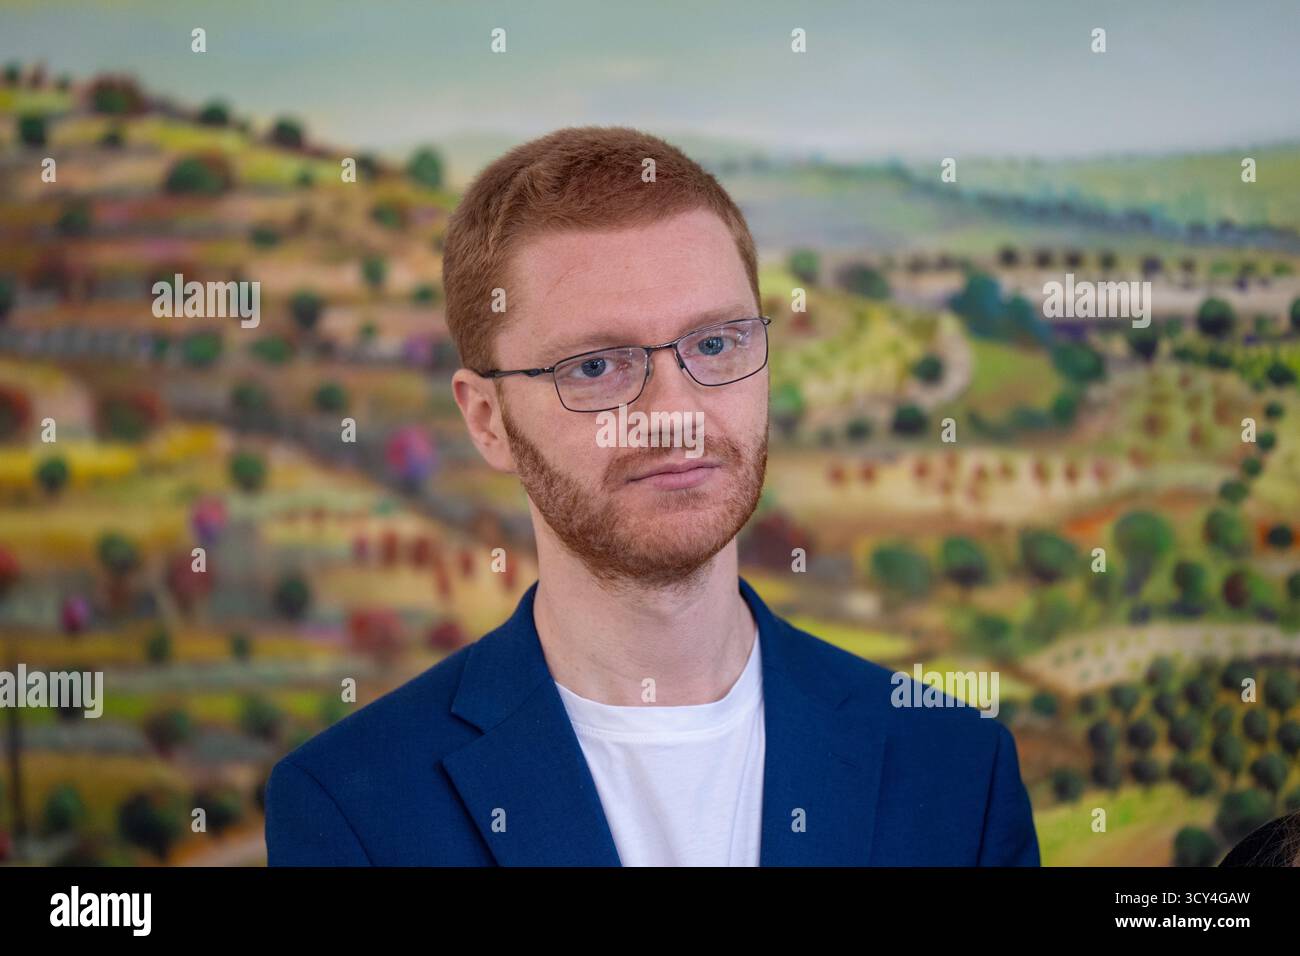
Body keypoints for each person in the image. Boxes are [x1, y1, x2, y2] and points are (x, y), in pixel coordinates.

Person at [264, 125, 1040, 866]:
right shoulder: (354, 809)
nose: (674, 416)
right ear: (487, 419)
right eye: (597, 367)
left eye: (714, 343)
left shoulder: (957, 771)